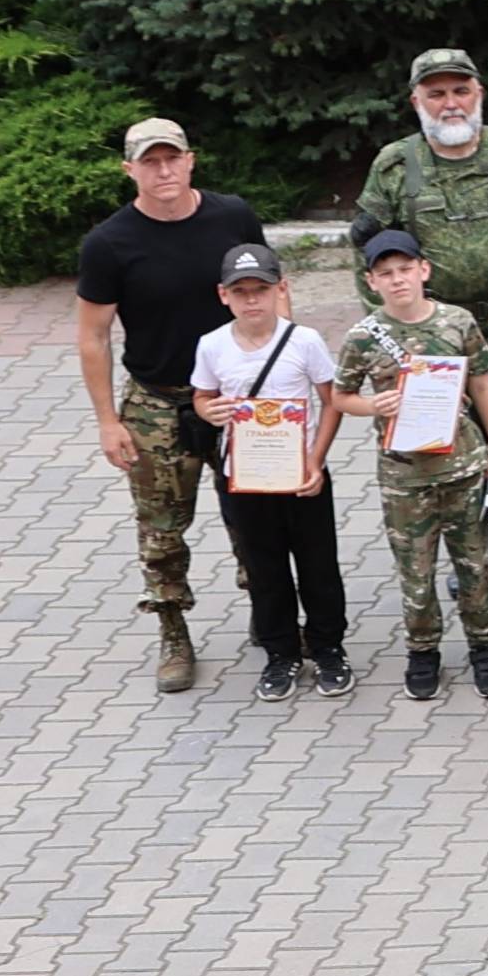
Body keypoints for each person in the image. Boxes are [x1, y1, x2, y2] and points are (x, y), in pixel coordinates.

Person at [75, 115, 268, 693]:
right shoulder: (109, 243)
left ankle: (271, 613)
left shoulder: (232, 216)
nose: (163, 170)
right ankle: (173, 631)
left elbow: (268, 294)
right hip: (158, 404)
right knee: (162, 530)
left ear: (190, 160)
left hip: (237, 398)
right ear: (128, 169)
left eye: (172, 158)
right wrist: (109, 421)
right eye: (149, 161)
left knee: (257, 512)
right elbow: (92, 336)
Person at [350, 46, 488, 528]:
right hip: (440, 343)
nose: (450, 102)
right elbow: (366, 250)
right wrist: (394, 332)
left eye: (461, 90)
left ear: (479, 92)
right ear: (416, 101)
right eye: (436, 94)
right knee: (456, 457)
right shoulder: (396, 166)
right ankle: (472, 555)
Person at [339, 228, 488, 700]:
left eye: (405, 269)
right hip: (404, 476)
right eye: (386, 273)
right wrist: (373, 407)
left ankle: (485, 647)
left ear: (424, 270)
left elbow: (483, 385)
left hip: (462, 467)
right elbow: (339, 397)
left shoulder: (456, 322)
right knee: (415, 572)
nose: (398, 280)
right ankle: (423, 650)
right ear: (371, 281)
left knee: (474, 564)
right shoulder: (363, 337)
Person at [189, 244, 345, 699]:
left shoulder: (305, 341)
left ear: (282, 289)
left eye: (261, 289)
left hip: (302, 476)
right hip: (246, 478)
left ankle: (329, 647)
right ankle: (281, 653)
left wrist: (316, 461)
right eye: (241, 292)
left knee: (318, 567)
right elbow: (202, 398)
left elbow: (332, 401)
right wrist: (209, 411)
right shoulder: (212, 345)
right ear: (223, 295)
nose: (252, 300)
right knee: (265, 570)